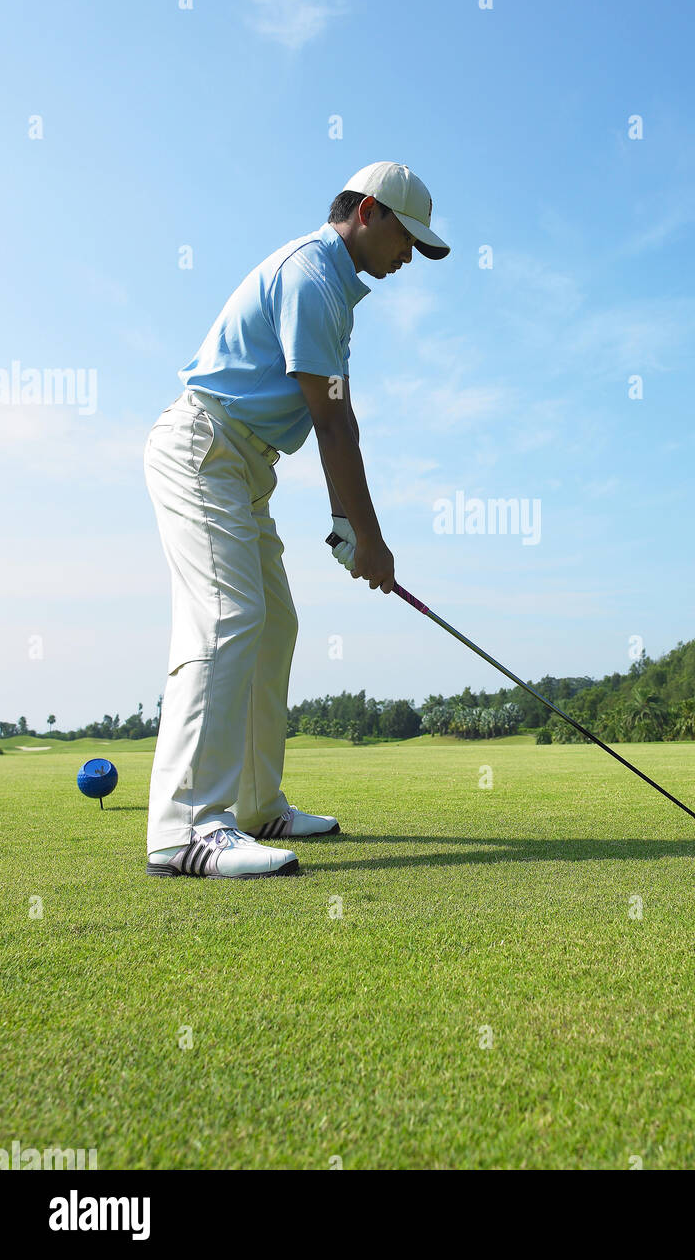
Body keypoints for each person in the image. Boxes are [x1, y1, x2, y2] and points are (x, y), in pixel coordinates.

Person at [142, 162, 449, 878]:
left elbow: (334, 414)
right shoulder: (313, 277)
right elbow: (333, 423)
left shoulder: (334, 289)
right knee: (228, 617)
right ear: (369, 213)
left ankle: (254, 807)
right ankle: (186, 826)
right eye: (408, 239)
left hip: (245, 468)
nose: (410, 257)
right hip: (203, 449)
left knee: (273, 623)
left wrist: (350, 521)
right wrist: (368, 539)